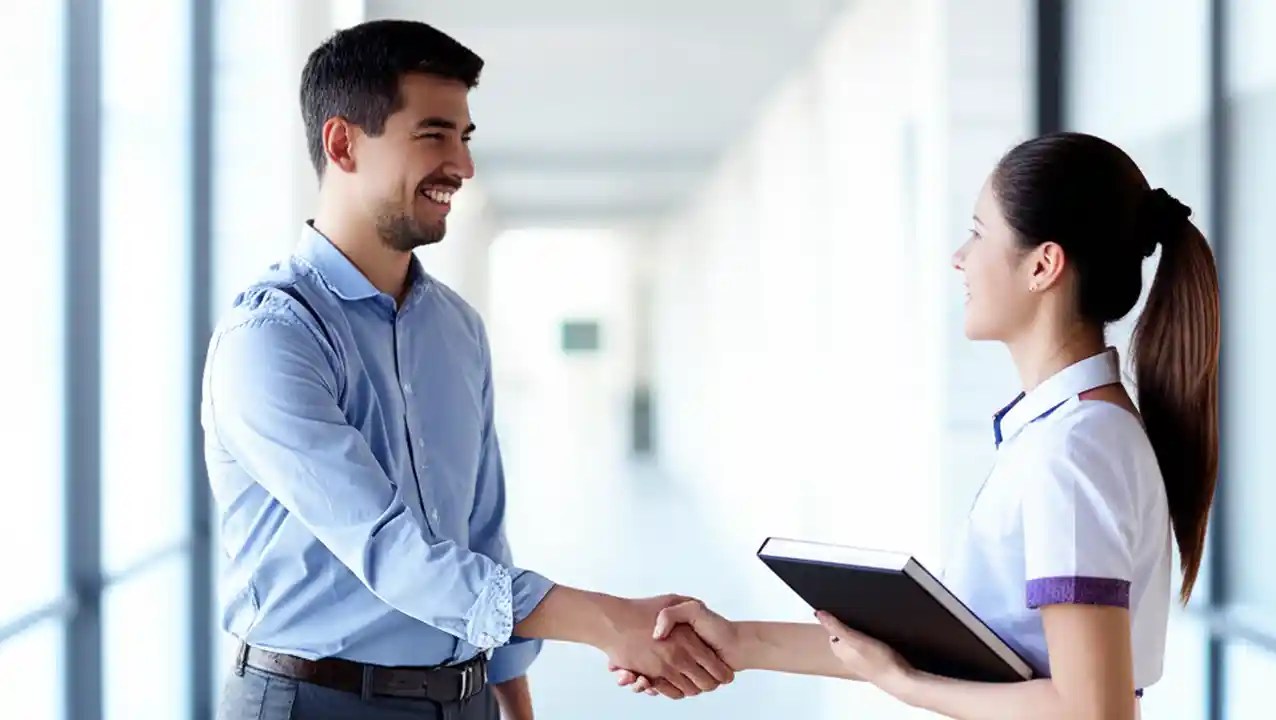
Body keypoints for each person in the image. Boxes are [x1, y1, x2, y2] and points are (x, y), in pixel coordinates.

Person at [203, 19, 734, 720]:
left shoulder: (457, 329)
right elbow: (390, 549)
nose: (463, 164)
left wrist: (514, 702)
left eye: (465, 136)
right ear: (343, 143)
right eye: (434, 134)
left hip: (466, 698)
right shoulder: (271, 339)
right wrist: (609, 621)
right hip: (314, 701)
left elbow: (481, 533)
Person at [613, 131, 1220, 720]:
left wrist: (906, 685)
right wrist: (737, 641)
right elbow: (988, 665)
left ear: (1043, 266)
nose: (959, 257)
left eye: (979, 233)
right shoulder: (1067, 432)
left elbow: (1091, 711)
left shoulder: (1076, 446)